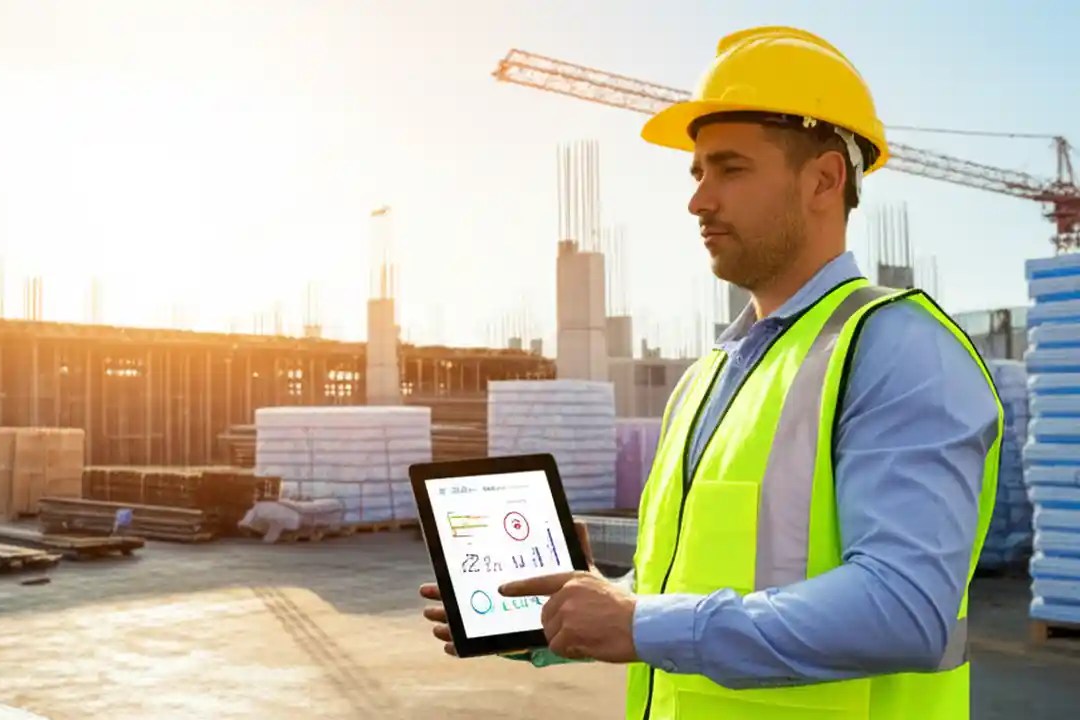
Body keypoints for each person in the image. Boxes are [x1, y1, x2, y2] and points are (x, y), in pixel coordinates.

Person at [420, 25, 1002, 720]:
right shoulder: (706, 381)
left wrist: (638, 622)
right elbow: (688, 596)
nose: (699, 201)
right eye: (697, 174)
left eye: (730, 169)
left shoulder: (898, 350)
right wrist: (583, 610)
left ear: (824, 180)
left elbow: (904, 608)